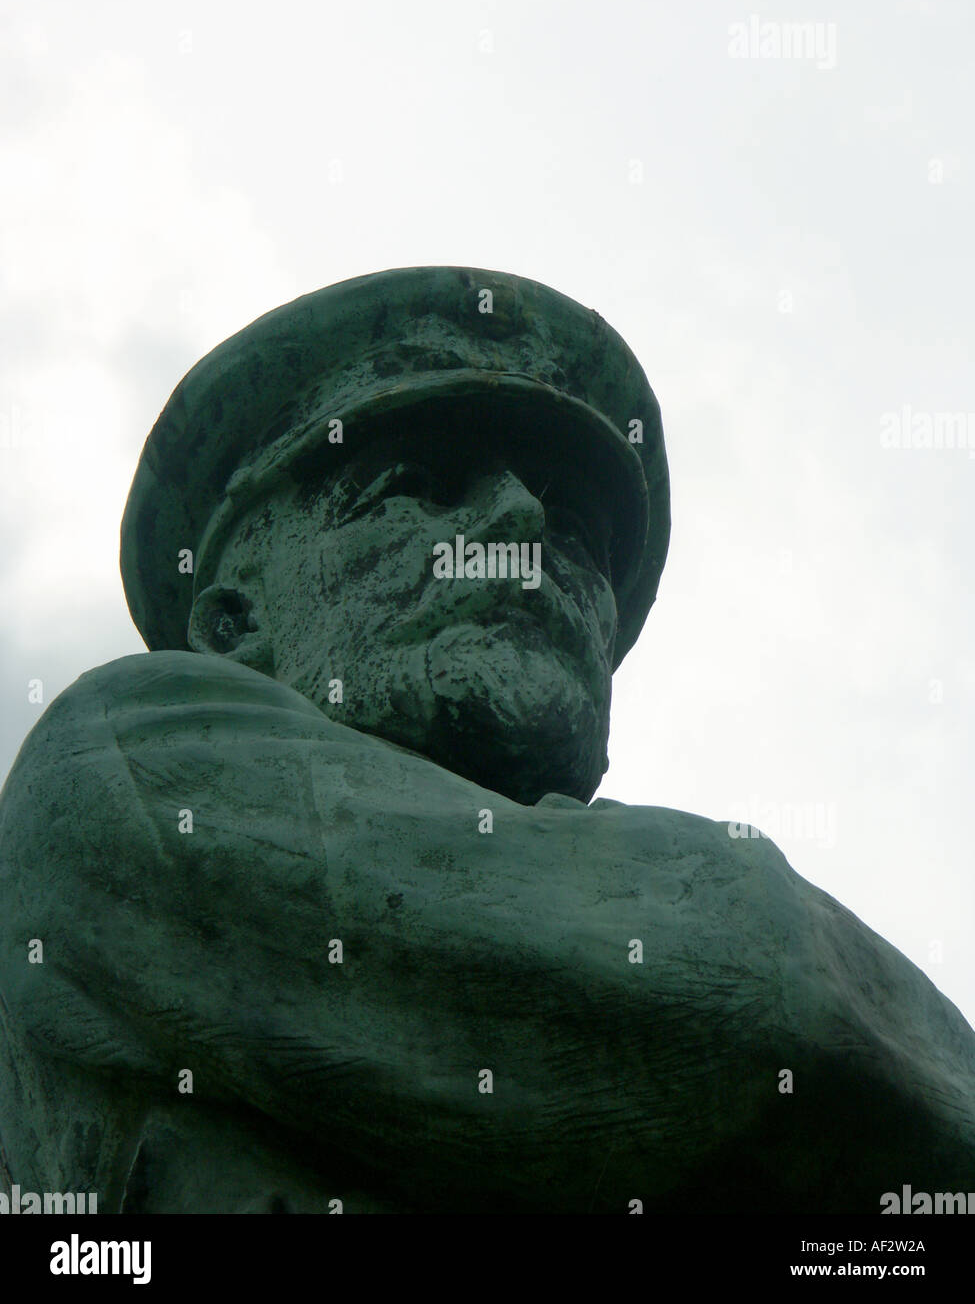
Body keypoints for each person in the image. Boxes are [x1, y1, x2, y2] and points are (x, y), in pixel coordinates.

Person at [0, 267, 972, 1213]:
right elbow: (767, 991)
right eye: (414, 487)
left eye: (578, 522)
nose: (522, 523)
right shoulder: (123, 760)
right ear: (230, 626)